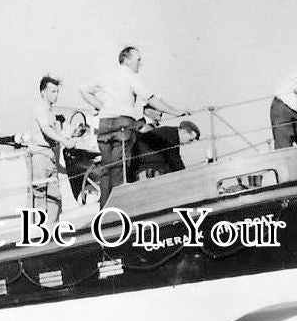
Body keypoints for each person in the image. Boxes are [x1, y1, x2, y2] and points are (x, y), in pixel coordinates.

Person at [79, 46, 187, 206]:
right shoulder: (131, 76)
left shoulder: (106, 74)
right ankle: (120, 210)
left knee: (106, 169)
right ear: (127, 59)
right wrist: (175, 112)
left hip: (104, 125)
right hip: (122, 124)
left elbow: (83, 89)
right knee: (120, 169)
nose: (140, 64)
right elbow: (150, 99)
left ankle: (105, 211)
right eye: (138, 60)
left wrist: (102, 107)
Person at [29, 75, 80, 222]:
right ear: (43, 92)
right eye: (52, 91)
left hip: (50, 156)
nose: (56, 95)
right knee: (40, 195)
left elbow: (54, 133)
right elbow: (46, 130)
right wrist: (65, 141)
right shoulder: (40, 109)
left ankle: (52, 228)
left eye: (57, 92)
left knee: (55, 195)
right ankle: (41, 232)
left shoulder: (50, 111)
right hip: (40, 155)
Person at [132, 109, 201, 178]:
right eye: (190, 140)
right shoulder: (171, 136)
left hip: (144, 160)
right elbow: (175, 160)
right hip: (146, 164)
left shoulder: (171, 133)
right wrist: (186, 176)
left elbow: (175, 159)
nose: (189, 143)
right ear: (184, 132)